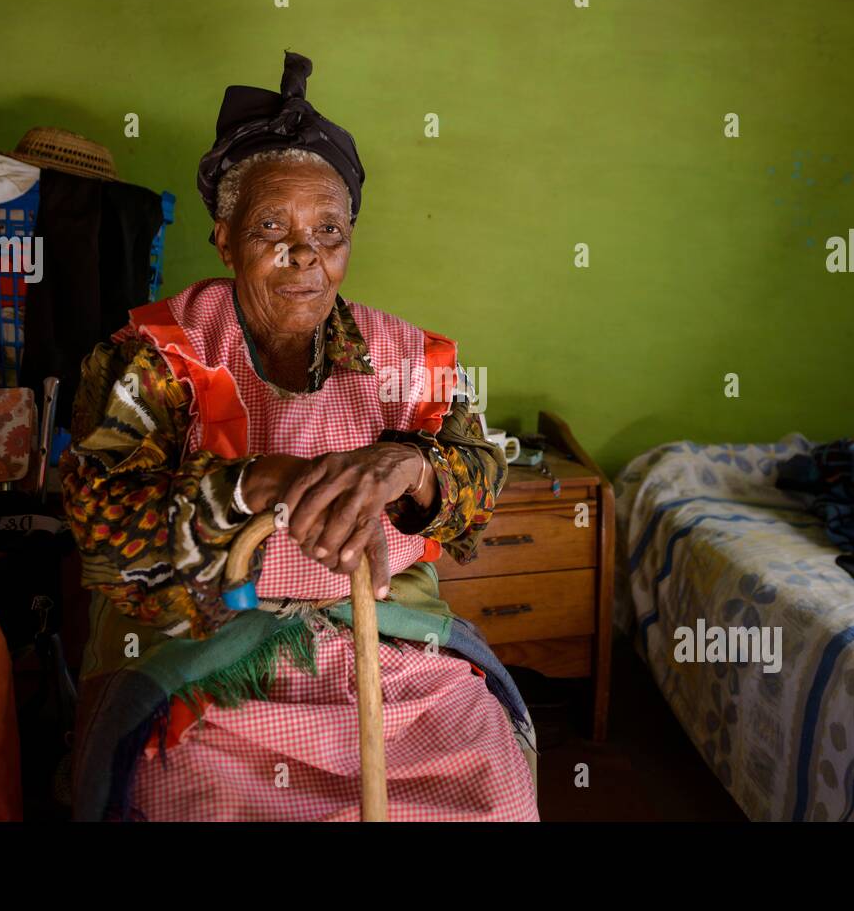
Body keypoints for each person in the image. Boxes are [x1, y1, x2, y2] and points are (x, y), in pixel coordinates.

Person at [62, 51, 538, 821]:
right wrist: (261, 481)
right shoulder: (154, 354)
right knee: (194, 798)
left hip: (389, 648)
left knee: (489, 783)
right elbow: (103, 521)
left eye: (329, 230)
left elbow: (481, 476)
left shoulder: (409, 357)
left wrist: (406, 464)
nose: (305, 255)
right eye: (271, 227)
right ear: (224, 240)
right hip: (212, 658)